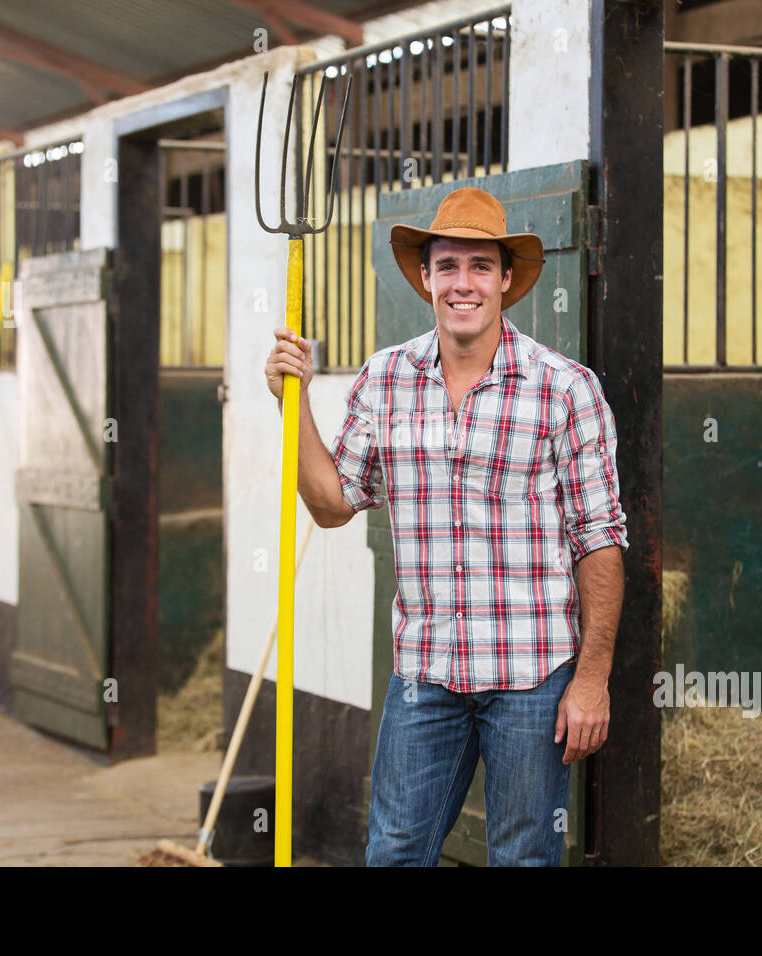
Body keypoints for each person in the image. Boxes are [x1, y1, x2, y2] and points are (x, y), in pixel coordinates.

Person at [263, 186, 628, 866]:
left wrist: (592, 678)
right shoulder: (385, 380)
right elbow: (331, 503)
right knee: (395, 851)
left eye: (480, 266)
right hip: (424, 674)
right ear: (425, 277)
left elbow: (599, 540)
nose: (464, 284)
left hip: (534, 674)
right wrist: (294, 403)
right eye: (449, 266)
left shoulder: (565, 390)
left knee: (523, 858)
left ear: (506, 280)